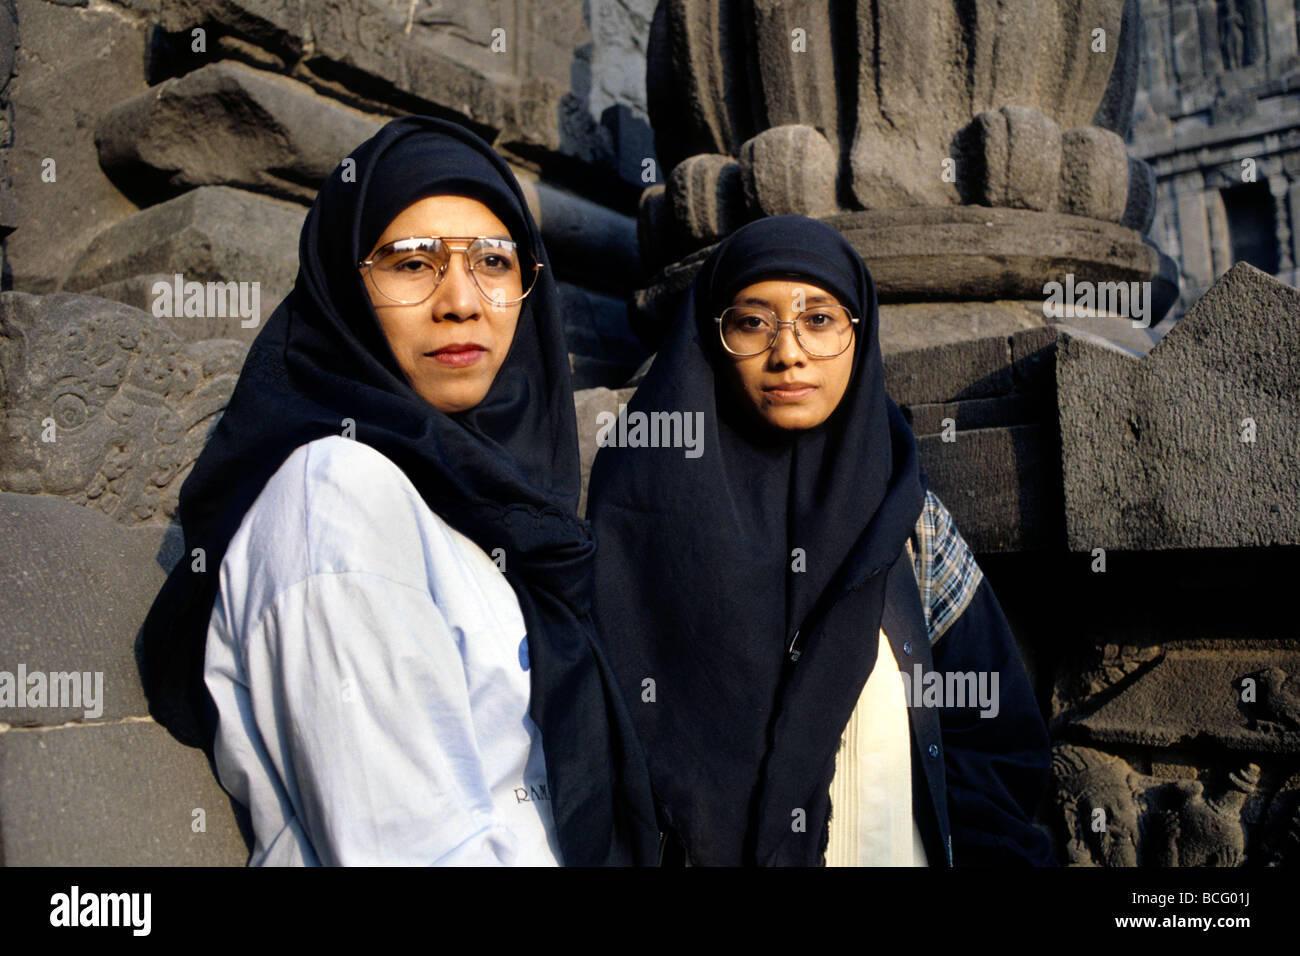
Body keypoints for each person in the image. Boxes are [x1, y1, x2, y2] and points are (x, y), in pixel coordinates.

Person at [138, 116, 658, 866]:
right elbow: (415, 849)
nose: (461, 300)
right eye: (412, 264)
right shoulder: (337, 496)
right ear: (345, 284)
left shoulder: (487, 497)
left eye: (494, 260)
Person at [586, 215, 1055, 866]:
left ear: (858, 337)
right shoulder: (640, 518)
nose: (789, 352)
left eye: (820, 320)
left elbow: (995, 738)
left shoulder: (910, 527)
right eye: (753, 322)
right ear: (712, 338)